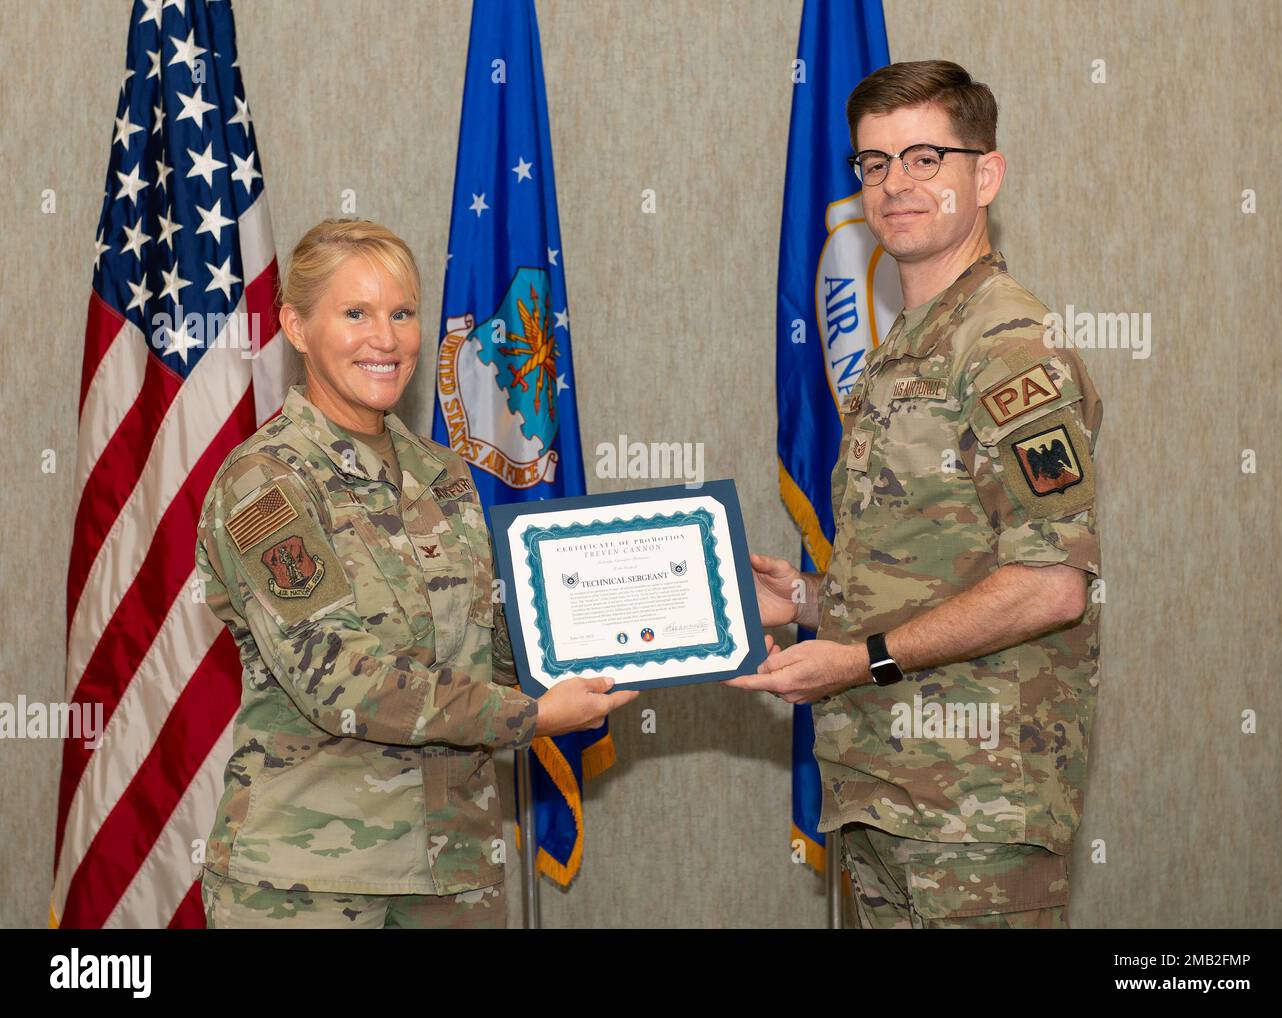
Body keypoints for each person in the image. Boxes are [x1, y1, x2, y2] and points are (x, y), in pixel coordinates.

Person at [728, 60, 1103, 929]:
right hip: (887, 787)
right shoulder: (906, 350)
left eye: (926, 158)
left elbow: (1050, 584)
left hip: (976, 808)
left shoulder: (1007, 349)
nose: (895, 184)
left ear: (987, 174)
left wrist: (860, 660)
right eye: (874, 163)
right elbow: (937, 565)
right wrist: (809, 600)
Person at [195, 218, 635, 928]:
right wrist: (532, 716)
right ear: (297, 327)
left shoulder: (443, 475)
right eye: (356, 313)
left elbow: (500, 644)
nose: (387, 338)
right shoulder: (267, 482)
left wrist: (661, 615)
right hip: (312, 885)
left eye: (401, 313)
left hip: (455, 873)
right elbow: (335, 676)